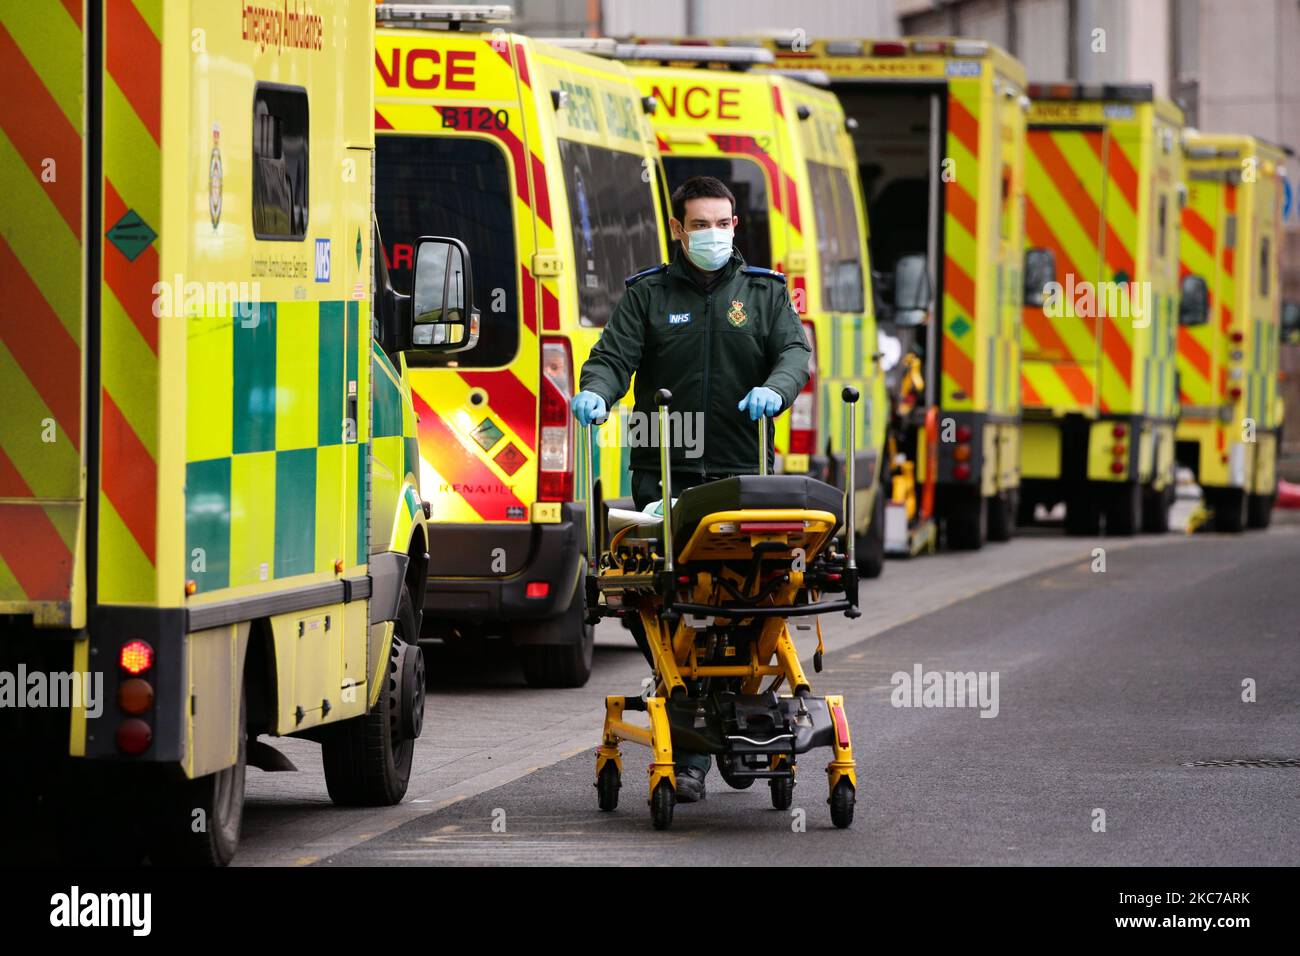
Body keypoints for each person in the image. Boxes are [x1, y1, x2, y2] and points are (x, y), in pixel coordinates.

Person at [571, 175, 811, 802]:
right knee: (671, 611)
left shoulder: (763, 296)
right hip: (666, 479)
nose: (713, 235)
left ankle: (731, 724)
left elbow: (793, 352)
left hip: (743, 477)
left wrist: (777, 391)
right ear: (677, 229)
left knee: (742, 607)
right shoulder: (649, 297)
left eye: (723, 224)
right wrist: (597, 390)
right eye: (700, 224)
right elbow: (613, 356)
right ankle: (703, 735)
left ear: (737, 227)